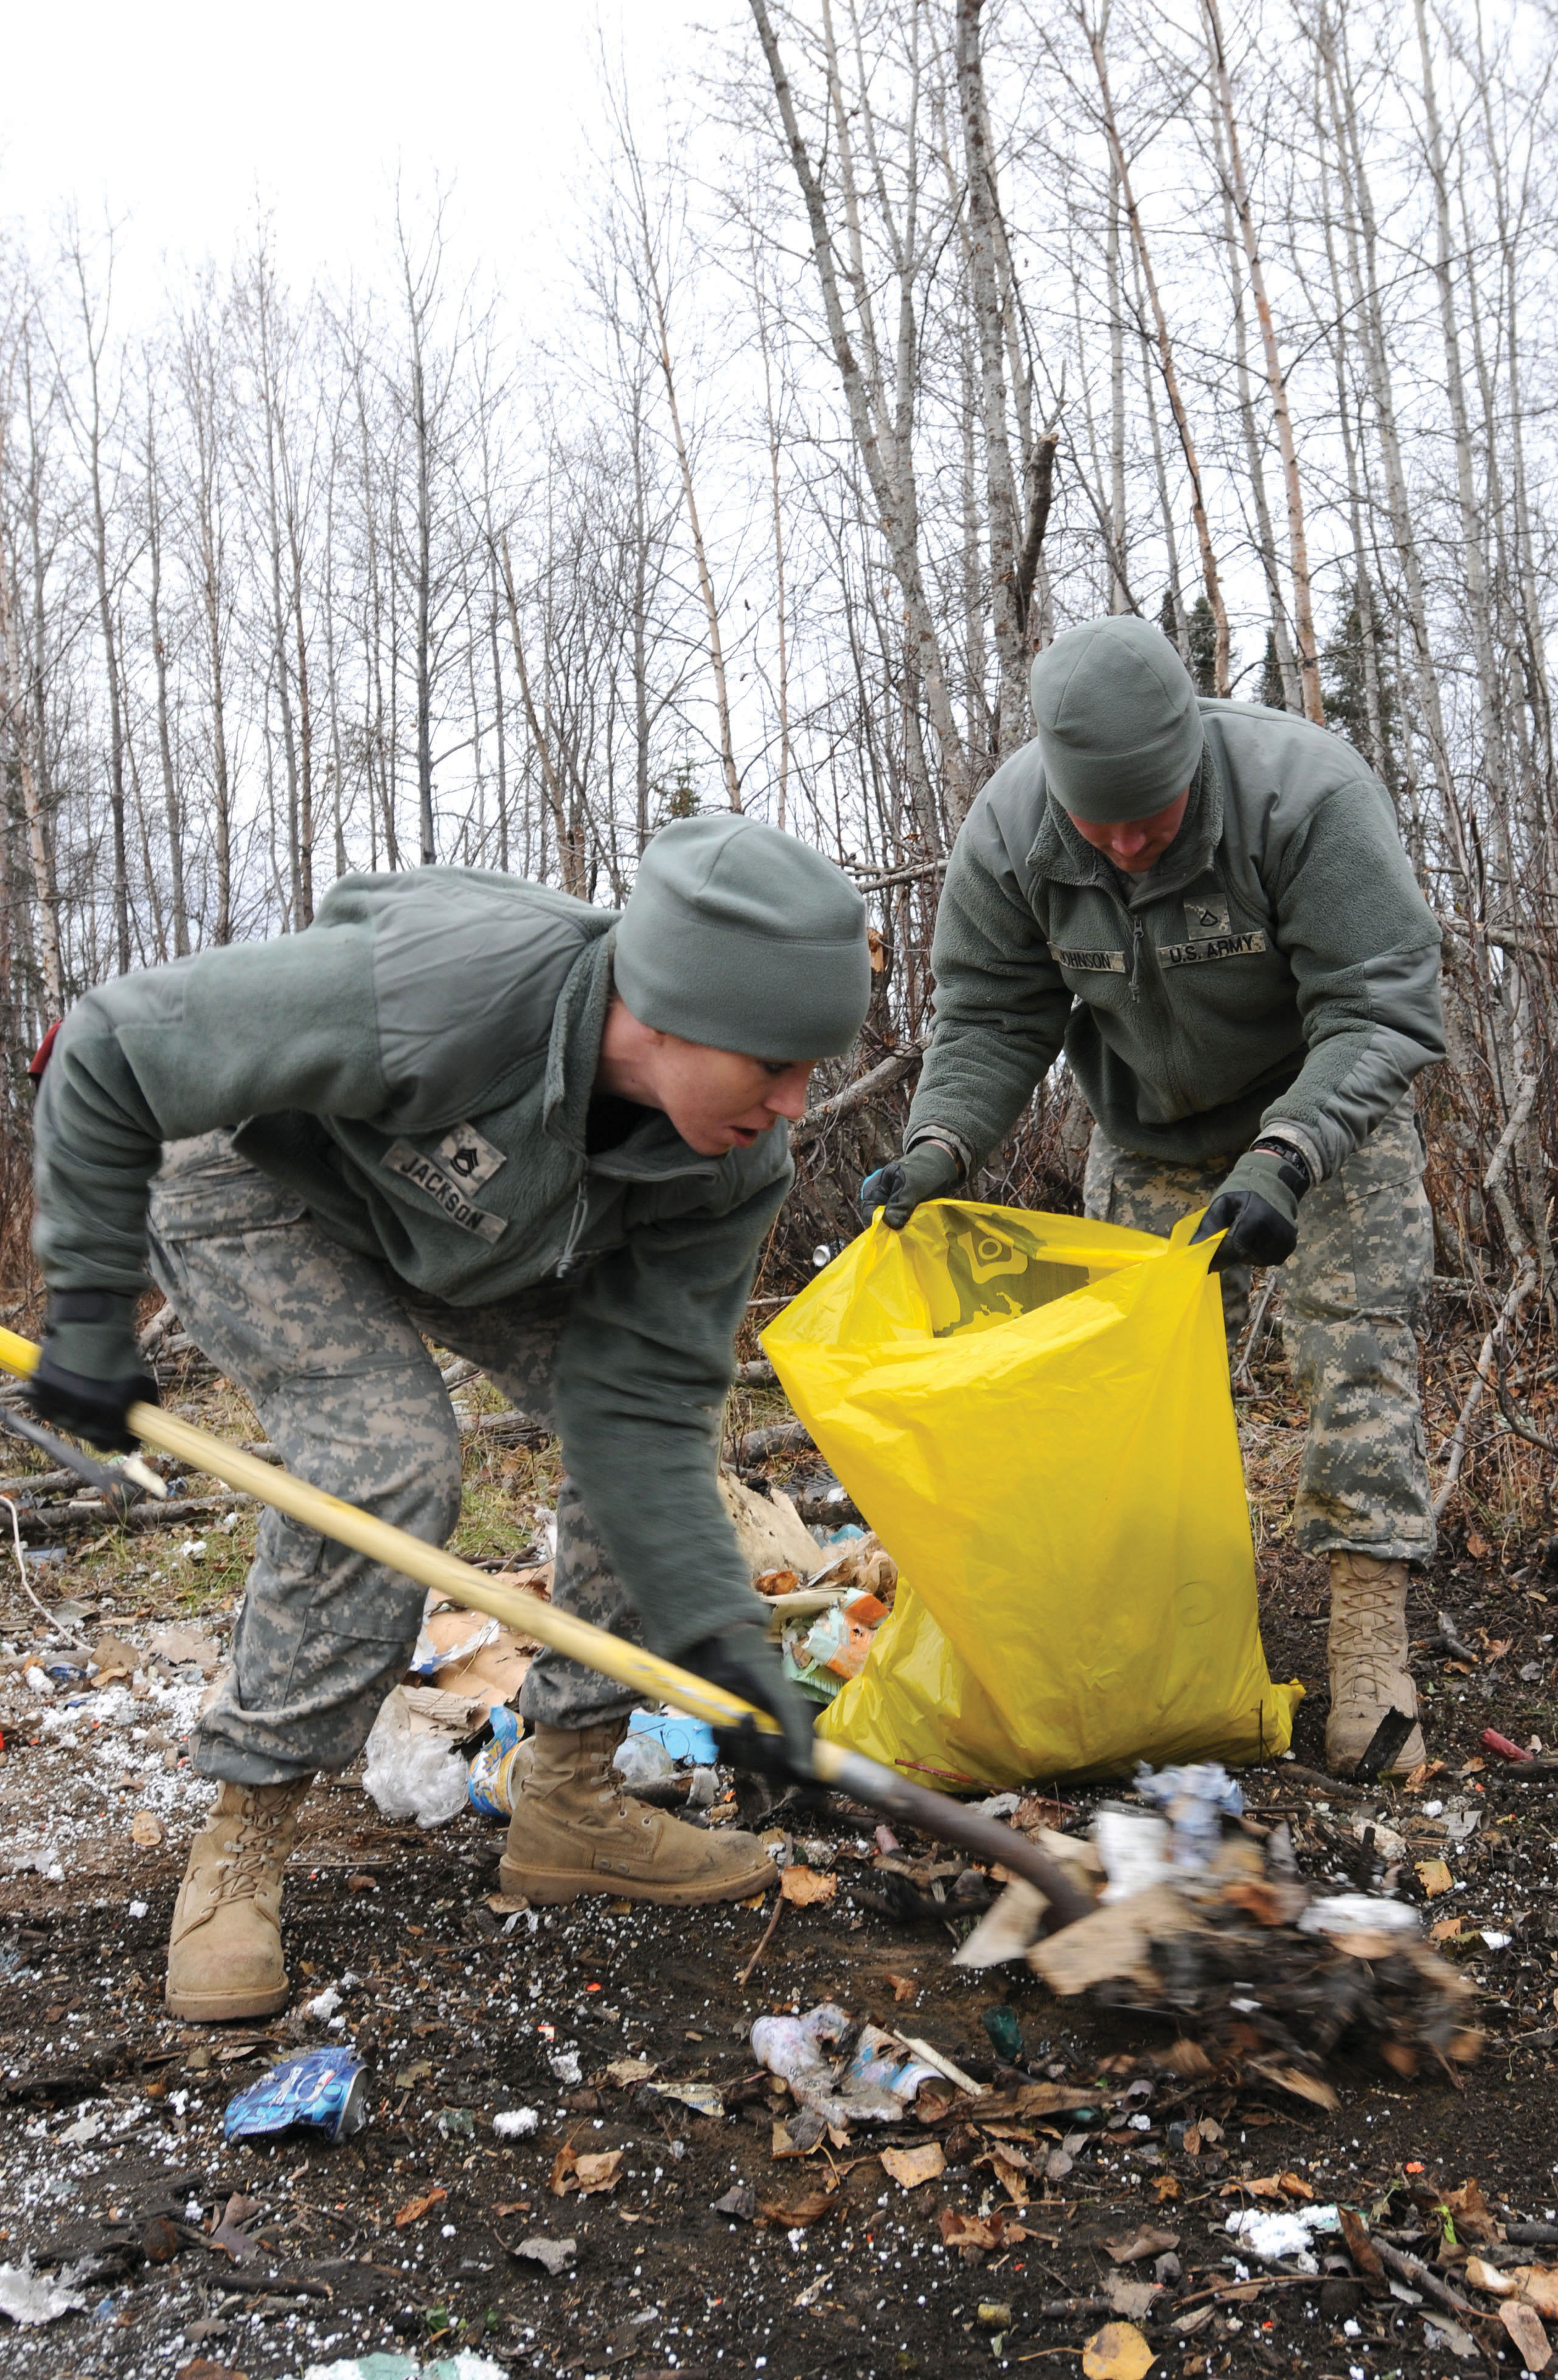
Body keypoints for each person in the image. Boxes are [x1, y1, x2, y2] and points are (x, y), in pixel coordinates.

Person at [29, 814, 868, 2022]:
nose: (795, 1104)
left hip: (467, 1227)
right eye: (773, 1064)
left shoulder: (731, 1163)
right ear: (675, 1007)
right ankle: (244, 1836)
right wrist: (94, 1302)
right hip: (256, 1181)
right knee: (389, 1458)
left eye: (812, 1069)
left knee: (647, 1446)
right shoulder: (440, 988)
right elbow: (107, 1047)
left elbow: (640, 1407)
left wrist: (726, 1648)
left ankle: (571, 1800)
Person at [864, 616, 1444, 1777]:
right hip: (1151, 1133)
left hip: (1322, 1108)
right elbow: (989, 1020)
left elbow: (1379, 1005)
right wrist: (936, 1149)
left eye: (1153, 817)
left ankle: (1369, 1640)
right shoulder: (1012, 835)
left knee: (1357, 1348)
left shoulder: (1304, 796)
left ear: (1192, 757)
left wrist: (1286, 1154)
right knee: (1137, 1391)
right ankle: (1175, 1637)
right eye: (1100, 823)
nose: (1127, 844)